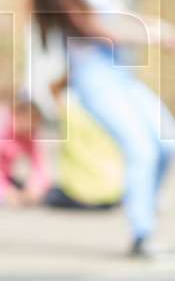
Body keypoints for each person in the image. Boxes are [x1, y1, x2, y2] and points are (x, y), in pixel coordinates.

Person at [32, 0, 175, 257]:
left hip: (121, 77)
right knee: (140, 148)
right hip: (95, 82)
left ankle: (143, 201)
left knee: (170, 140)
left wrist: (164, 28)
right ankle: (141, 233)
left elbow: (127, 20)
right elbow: (103, 32)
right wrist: (155, 37)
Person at [40, 75, 124, 212]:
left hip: (79, 195)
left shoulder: (71, 113)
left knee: (50, 194)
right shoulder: (111, 117)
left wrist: (75, 73)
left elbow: (53, 88)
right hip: (111, 195)